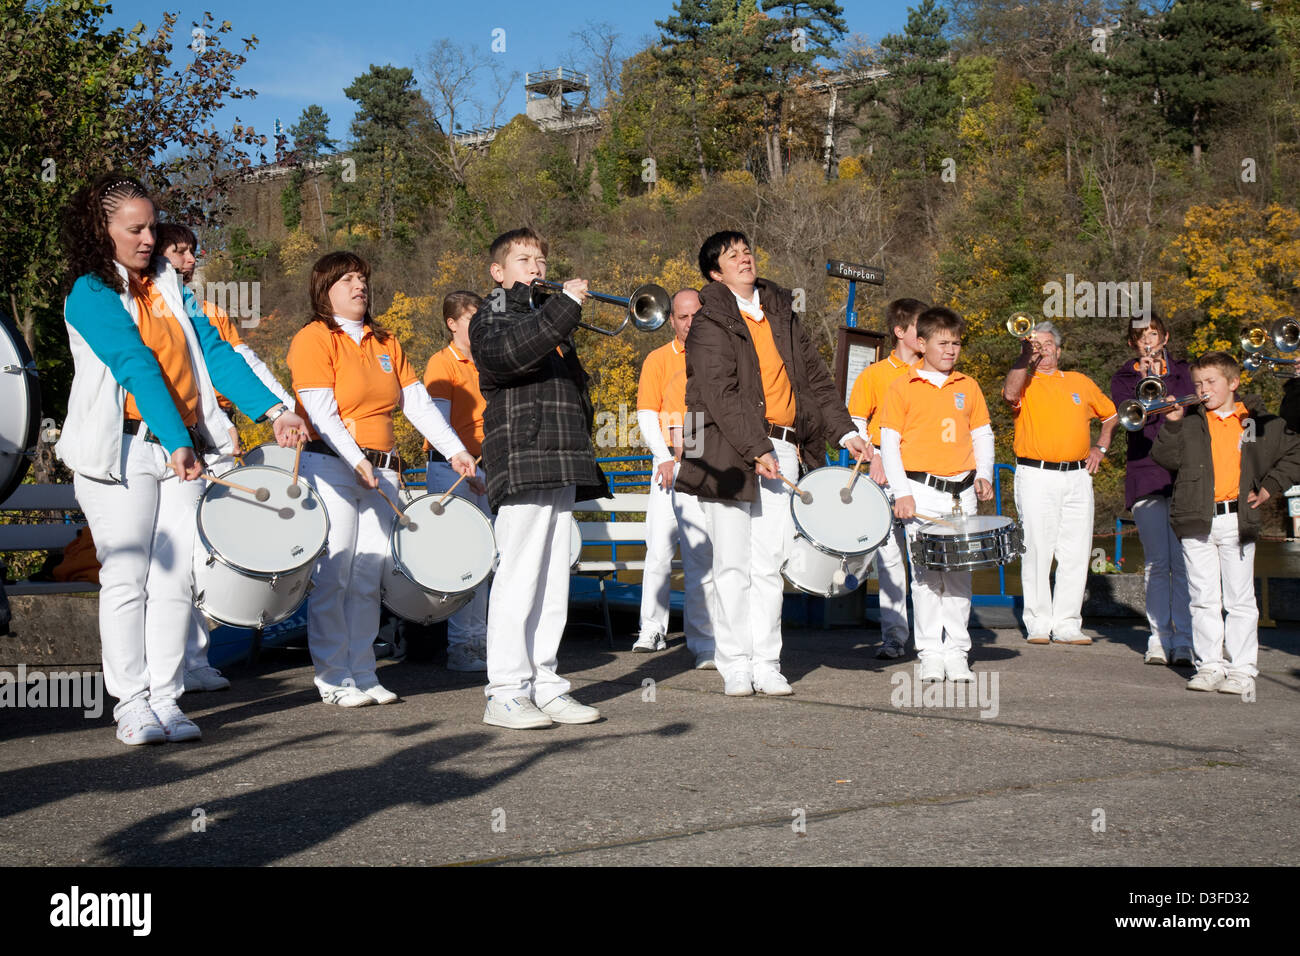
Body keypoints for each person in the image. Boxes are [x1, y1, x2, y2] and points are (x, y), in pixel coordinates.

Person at [56, 174, 307, 745]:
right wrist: (177, 441)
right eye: (134, 229)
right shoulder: (90, 292)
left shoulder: (168, 284)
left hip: (181, 448)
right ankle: (131, 703)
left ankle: (167, 698)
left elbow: (214, 352)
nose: (148, 239)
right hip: (121, 452)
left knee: (176, 577)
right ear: (101, 230)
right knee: (127, 577)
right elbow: (134, 362)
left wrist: (274, 410)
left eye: (151, 227)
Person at [676, 231, 869, 697]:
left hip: (783, 447)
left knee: (769, 562)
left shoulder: (783, 312)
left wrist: (846, 432)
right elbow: (720, 394)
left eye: (747, 250)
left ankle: (766, 663)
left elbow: (817, 382)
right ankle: (735, 664)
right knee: (731, 564)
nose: (744, 258)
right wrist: (755, 447)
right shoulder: (708, 321)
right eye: (732, 256)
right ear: (715, 273)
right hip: (723, 449)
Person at [288, 251, 476, 707]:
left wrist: (456, 450)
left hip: (382, 469)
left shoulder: (386, 340)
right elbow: (322, 414)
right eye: (348, 279)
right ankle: (334, 678)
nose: (360, 286)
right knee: (335, 574)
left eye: (362, 278)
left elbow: (418, 405)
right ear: (324, 288)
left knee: (369, 575)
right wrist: (356, 460)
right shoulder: (313, 338)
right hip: (331, 466)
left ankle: (364, 672)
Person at [469, 228, 609, 729]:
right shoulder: (492, 313)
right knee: (520, 576)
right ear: (498, 272)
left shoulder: (548, 317)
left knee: (552, 579)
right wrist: (565, 307)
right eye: (524, 260)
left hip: (560, 457)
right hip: (523, 456)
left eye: (541, 261)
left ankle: (544, 684)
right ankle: (505, 692)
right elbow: (506, 356)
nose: (536, 268)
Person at [155, 221, 297, 692]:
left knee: (201, 552)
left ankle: (195, 658)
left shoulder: (207, 311)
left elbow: (241, 362)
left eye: (192, 251)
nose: (190, 260)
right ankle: (163, 669)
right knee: (169, 558)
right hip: (166, 438)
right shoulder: (144, 306)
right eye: (179, 252)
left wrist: (281, 409)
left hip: (213, 438)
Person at [1151, 351, 1300, 696]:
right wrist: (1172, 423)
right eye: (1198, 383)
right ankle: (1209, 666)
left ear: (1233, 383)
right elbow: (1164, 457)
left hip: (1238, 517)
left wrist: (1270, 486)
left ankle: (1242, 670)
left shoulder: (1255, 421)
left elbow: (1295, 452)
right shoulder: (1190, 421)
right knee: (1202, 598)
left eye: (1211, 382)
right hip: (1195, 518)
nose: (1203, 389)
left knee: (1240, 600)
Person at [878, 307, 995, 683]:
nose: (950, 349)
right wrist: (901, 493)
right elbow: (889, 443)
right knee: (926, 575)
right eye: (942, 343)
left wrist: (985, 473)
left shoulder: (968, 385)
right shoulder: (902, 386)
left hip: (961, 491)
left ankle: (957, 651)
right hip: (920, 491)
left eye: (956, 343)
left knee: (959, 573)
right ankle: (930, 652)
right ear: (921, 343)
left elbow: (982, 433)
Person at [1002, 321, 1118, 646]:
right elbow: (1009, 394)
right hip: (1036, 474)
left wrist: (1101, 447)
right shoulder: (1024, 380)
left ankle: (1067, 623)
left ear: (1059, 350)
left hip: (1078, 474)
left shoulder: (1079, 381)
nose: (1043, 349)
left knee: (1076, 551)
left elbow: (1111, 415)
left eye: (1047, 344)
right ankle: (1038, 623)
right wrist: (1024, 357)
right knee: (1038, 549)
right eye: (1036, 345)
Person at [632, 288, 717, 669]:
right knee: (659, 552)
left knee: (701, 555)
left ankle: (704, 641)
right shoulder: (658, 359)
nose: (690, 323)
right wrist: (665, 457)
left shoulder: (718, 356)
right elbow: (647, 413)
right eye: (682, 317)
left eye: (696, 315)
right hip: (668, 463)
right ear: (671, 320)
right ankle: (652, 629)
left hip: (705, 464)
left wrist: (698, 451)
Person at [1109, 314, 1195, 666]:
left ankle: (1185, 639)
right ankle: (1158, 639)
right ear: (1132, 343)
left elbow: (1194, 406)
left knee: (1184, 562)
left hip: (1183, 473)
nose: (1148, 342)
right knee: (1158, 563)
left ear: (1165, 337)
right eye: (1141, 337)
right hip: (1145, 473)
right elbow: (1128, 419)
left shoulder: (1184, 371)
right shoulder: (1123, 377)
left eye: (1154, 334)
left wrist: (1164, 379)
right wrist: (1145, 381)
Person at [847, 297, 926, 659]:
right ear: (899, 331)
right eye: (919, 328)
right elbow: (855, 422)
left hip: (923, 474)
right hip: (882, 474)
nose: (926, 335)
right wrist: (874, 455)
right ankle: (894, 637)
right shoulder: (874, 374)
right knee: (890, 559)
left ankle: (930, 640)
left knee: (924, 557)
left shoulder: (932, 372)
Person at [423, 291, 492, 672]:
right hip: (451, 469)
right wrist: (467, 465)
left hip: (485, 467)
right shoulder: (441, 363)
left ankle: (480, 640)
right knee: (462, 558)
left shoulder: (487, 361)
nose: (479, 326)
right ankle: (461, 645)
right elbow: (437, 425)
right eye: (471, 319)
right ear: (451, 324)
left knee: (486, 558)